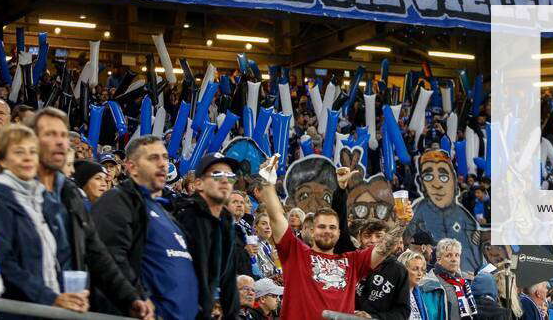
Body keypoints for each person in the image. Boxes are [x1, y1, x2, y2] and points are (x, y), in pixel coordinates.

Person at [257, 153, 412, 319]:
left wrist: (402, 223)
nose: (327, 231)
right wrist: (267, 182)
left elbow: (382, 249)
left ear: (339, 233)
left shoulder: (352, 261)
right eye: (321, 226)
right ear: (312, 230)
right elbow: (276, 216)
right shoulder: (296, 252)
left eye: (332, 227)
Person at [31, 108, 153, 319]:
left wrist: (131, 298)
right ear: (32, 142)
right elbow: (7, 263)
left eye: (63, 135)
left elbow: (98, 254)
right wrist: (49, 298)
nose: (60, 142)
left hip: (69, 310)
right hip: (26, 310)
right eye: (50, 134)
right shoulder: (11, 192)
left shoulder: (70, 195)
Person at [0, 124, 86, 311]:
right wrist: (50, 298)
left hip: (48, 310)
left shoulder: (42, 201)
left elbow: (59, 259)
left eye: (33, 152)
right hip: (16, 312)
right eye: (19, 152)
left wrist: (69, 297)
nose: (28, 157)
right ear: (2, 160)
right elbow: (3, 264)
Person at [93, 135, 198, 320]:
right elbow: (108, 257)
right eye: (153, 158)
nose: (163, 164)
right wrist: (136, 298)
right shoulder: (118, 200)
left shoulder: (166, 212)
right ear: (132, 167)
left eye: (165, 157)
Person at [172, 153, 242, 319]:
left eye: (230, 176)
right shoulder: (188, 214)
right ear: (199, 184)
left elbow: (229, 278)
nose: (225, 180)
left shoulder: (225, 219)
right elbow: (196, 271)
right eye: (217, 174)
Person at [355, 220, 410, 319]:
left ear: (388, 240)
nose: (372, 240)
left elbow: (403, 312)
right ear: (359, 238)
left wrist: (373, 317)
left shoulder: (398, 270)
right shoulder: (350, 263)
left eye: (378, 236)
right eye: (367, 236)